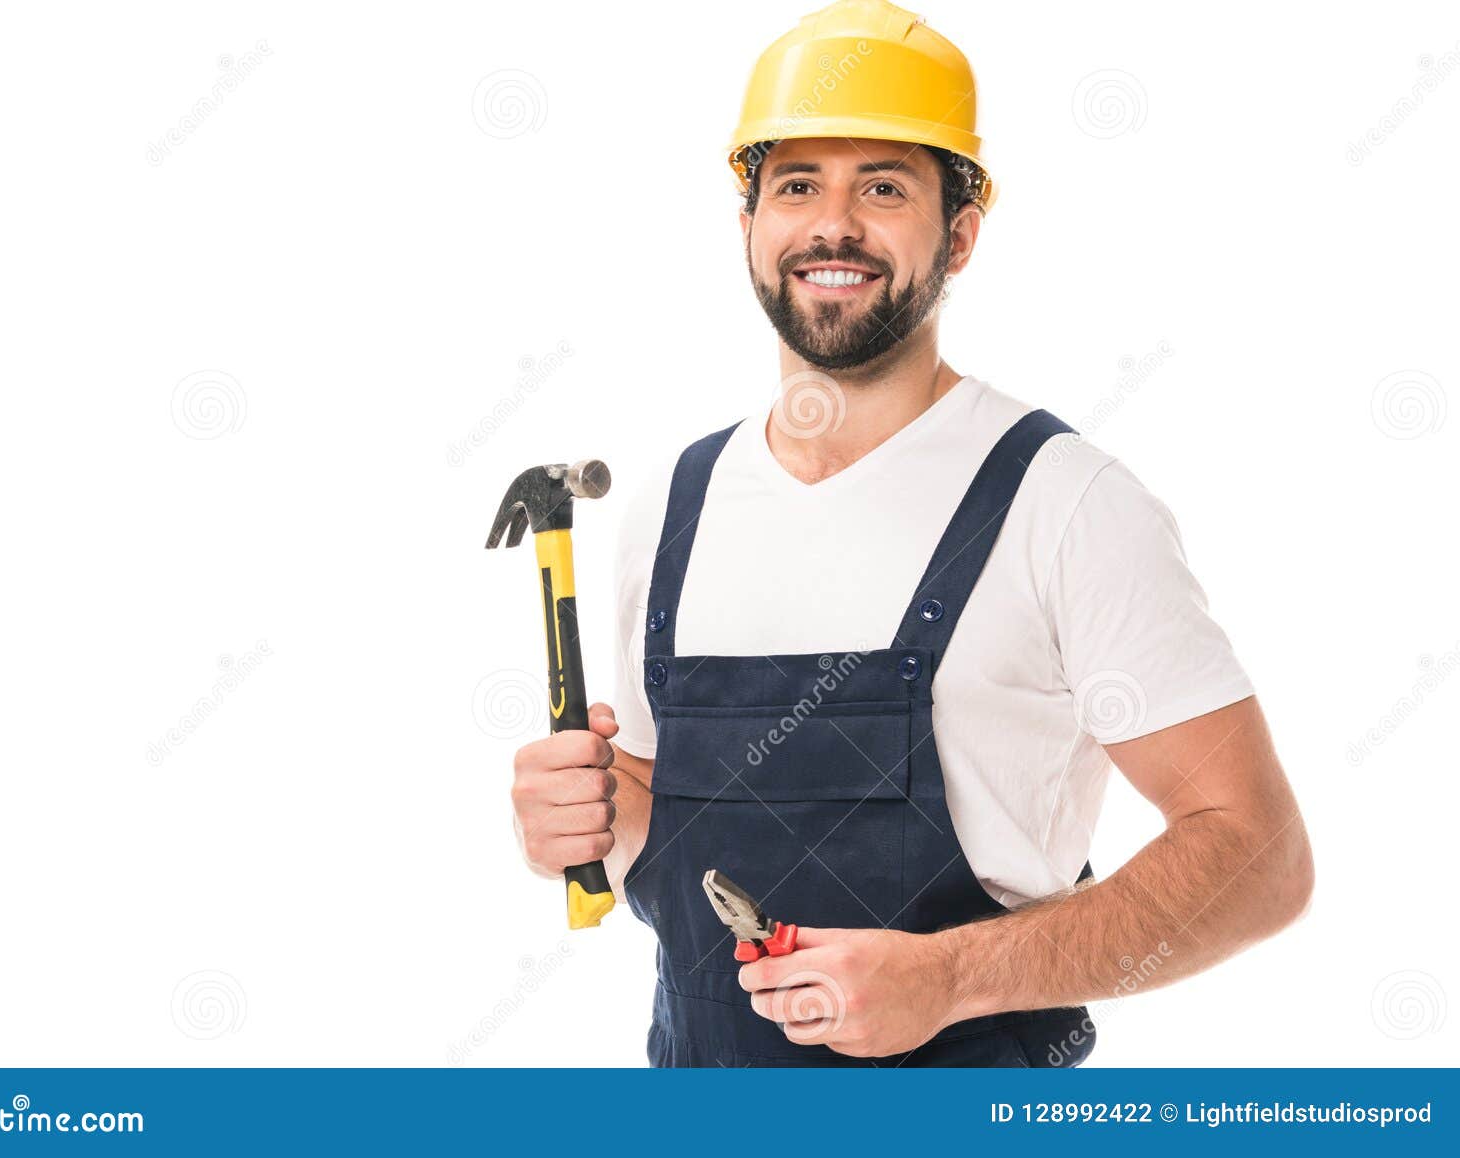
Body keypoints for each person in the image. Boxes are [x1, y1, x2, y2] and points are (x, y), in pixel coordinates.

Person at [509, 0, 1313, 1067]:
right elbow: (670, 813)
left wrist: (951, 978)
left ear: (961, 233)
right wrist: (586, 818)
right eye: (797, 185)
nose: (832, 226)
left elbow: (1257, 856)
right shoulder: (672, 506)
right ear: (747, 225)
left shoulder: (1063, 503)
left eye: (882, 186)